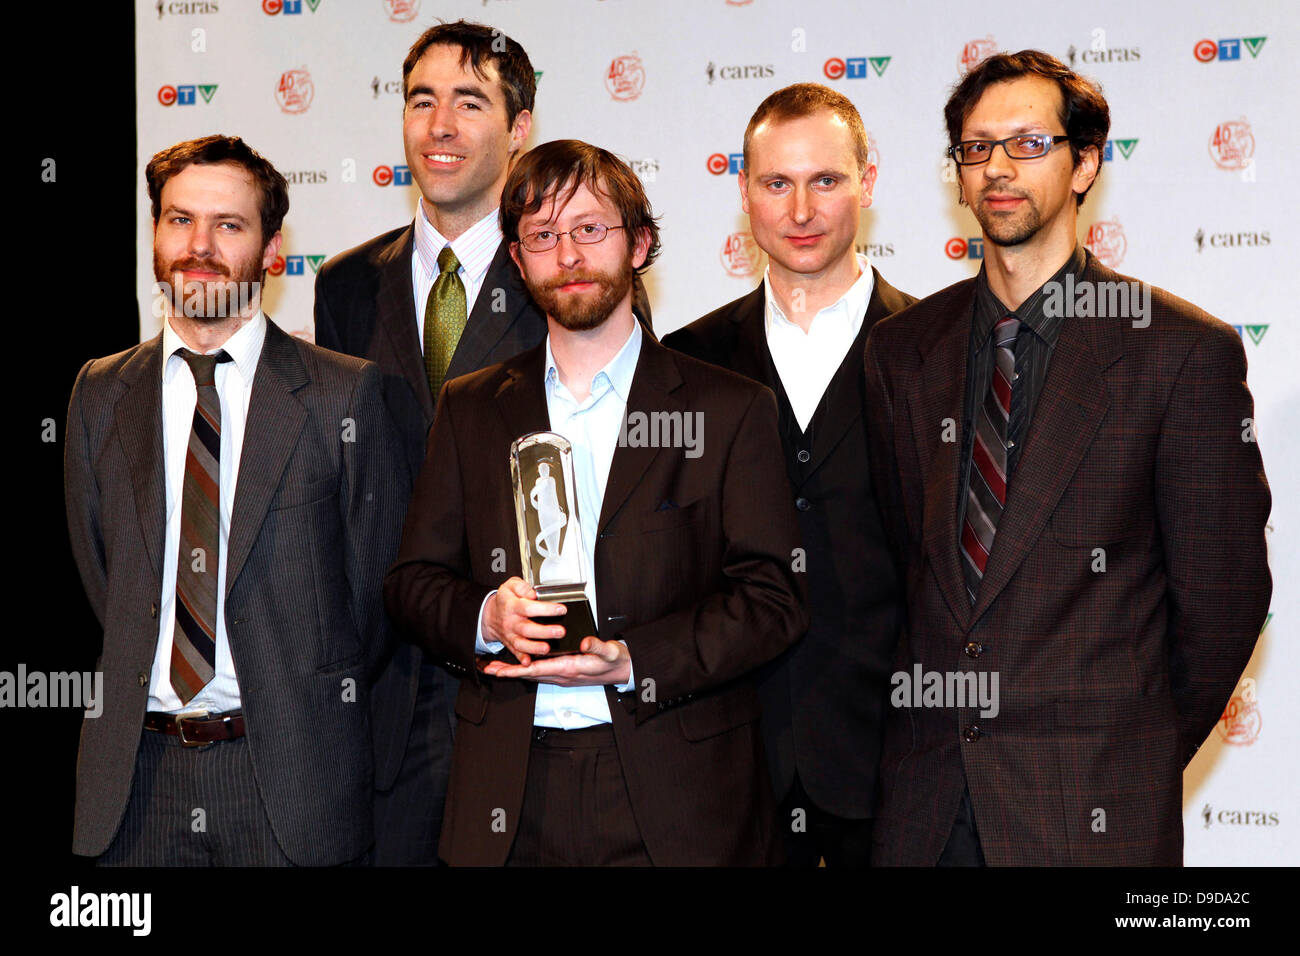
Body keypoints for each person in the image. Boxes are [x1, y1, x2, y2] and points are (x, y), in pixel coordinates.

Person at [863, 50, 1271, 865]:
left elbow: (1223, 605)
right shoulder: (902, 351)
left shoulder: (1179, 352)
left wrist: (1127, 759)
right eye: (976, 149)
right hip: (925, 814)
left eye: (1029, 144)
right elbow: (909, 571)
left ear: (1084, 164)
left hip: (1091, 816)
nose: (998, 169)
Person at [383, 139, 807, 865]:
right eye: (542, 236)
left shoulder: (729, 408)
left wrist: (632, 660)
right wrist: (488, 617)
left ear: (639, 243)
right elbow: (413, 584)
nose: (568, 255)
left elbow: (773, 600)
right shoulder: (472, 408)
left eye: (590, 229)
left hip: (675, 791)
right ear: (517, 261)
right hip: (508, 792)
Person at [313, 19, 652, 866]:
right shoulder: (346, 285)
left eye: (470, 102)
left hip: (526, 692)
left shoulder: (568, 271)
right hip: (382, 697)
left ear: (520, 125)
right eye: (421, 101)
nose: (440, 126)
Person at [64, 135, 406, 865]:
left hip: (287, 784)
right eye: (180, 220)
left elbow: (374, 604)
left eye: (229, 225)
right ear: (154, 234)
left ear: (273, 248)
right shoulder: (99, 392)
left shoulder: (344, 392)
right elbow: (103, 576)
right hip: (134, 789)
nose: (200, 245)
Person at [663, 83, 913, 866]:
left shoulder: (935, 350)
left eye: (826, 180)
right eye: (777, 183)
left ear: (867, 183)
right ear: (744, 193)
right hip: (728, 767)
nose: (800, 209)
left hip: (897, 768)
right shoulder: (684, 363)